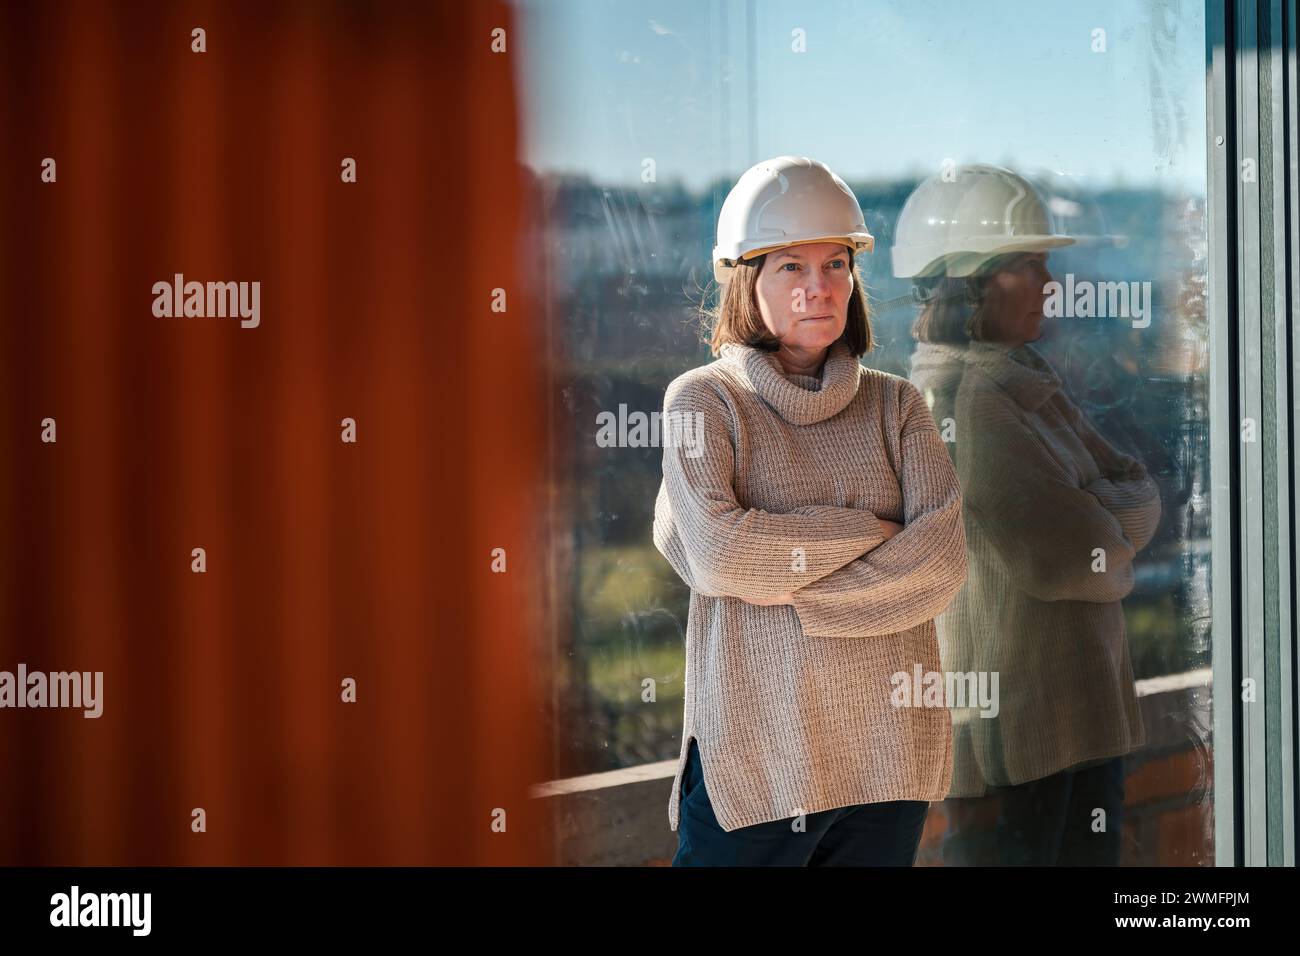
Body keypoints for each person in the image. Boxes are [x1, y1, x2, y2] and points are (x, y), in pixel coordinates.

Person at [651, 155, 968, 866]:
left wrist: (788, 586)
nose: (819, 288)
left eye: (835, 264)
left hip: (890, 759)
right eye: (791, 267)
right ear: (746, 279)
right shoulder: (704, 400)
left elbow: (942, 567)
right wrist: (874, 533)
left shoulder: (897, 404)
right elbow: (720, 556)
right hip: (758, 765)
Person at [897, 163, 1163, 865]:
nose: (1050, 283)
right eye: (1028, 265)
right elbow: (1074, 556)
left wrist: (1103, 513)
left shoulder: (1018, 381)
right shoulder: (972, 398)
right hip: (1025, 742)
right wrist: (1108, 514)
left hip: (1067, 729)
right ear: (969, 279)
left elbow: (1130, 498)